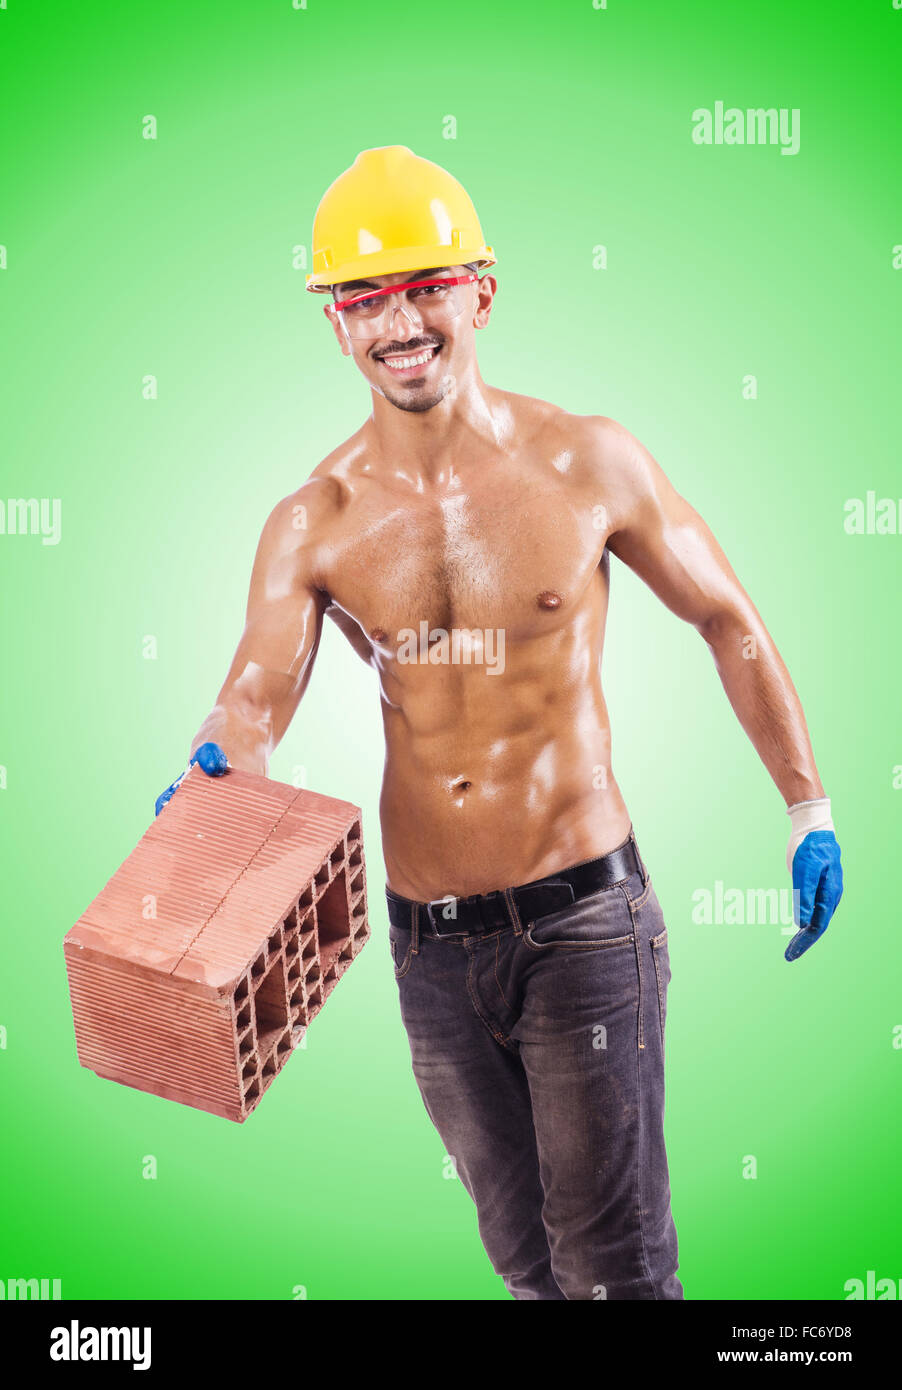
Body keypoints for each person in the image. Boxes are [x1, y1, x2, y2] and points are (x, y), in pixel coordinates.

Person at [156, 145, 843, 1300]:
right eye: (364, 299)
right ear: (333, 324)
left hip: (580, 924)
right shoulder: (309, 521)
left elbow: (723, 616)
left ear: (481, 289)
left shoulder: (586, 459)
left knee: (610, 1273)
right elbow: (259, 686)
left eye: (424, 285)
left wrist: (806, 806)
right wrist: (221, 756)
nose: (398, 322)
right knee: (526, 1268)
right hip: (429, 946)